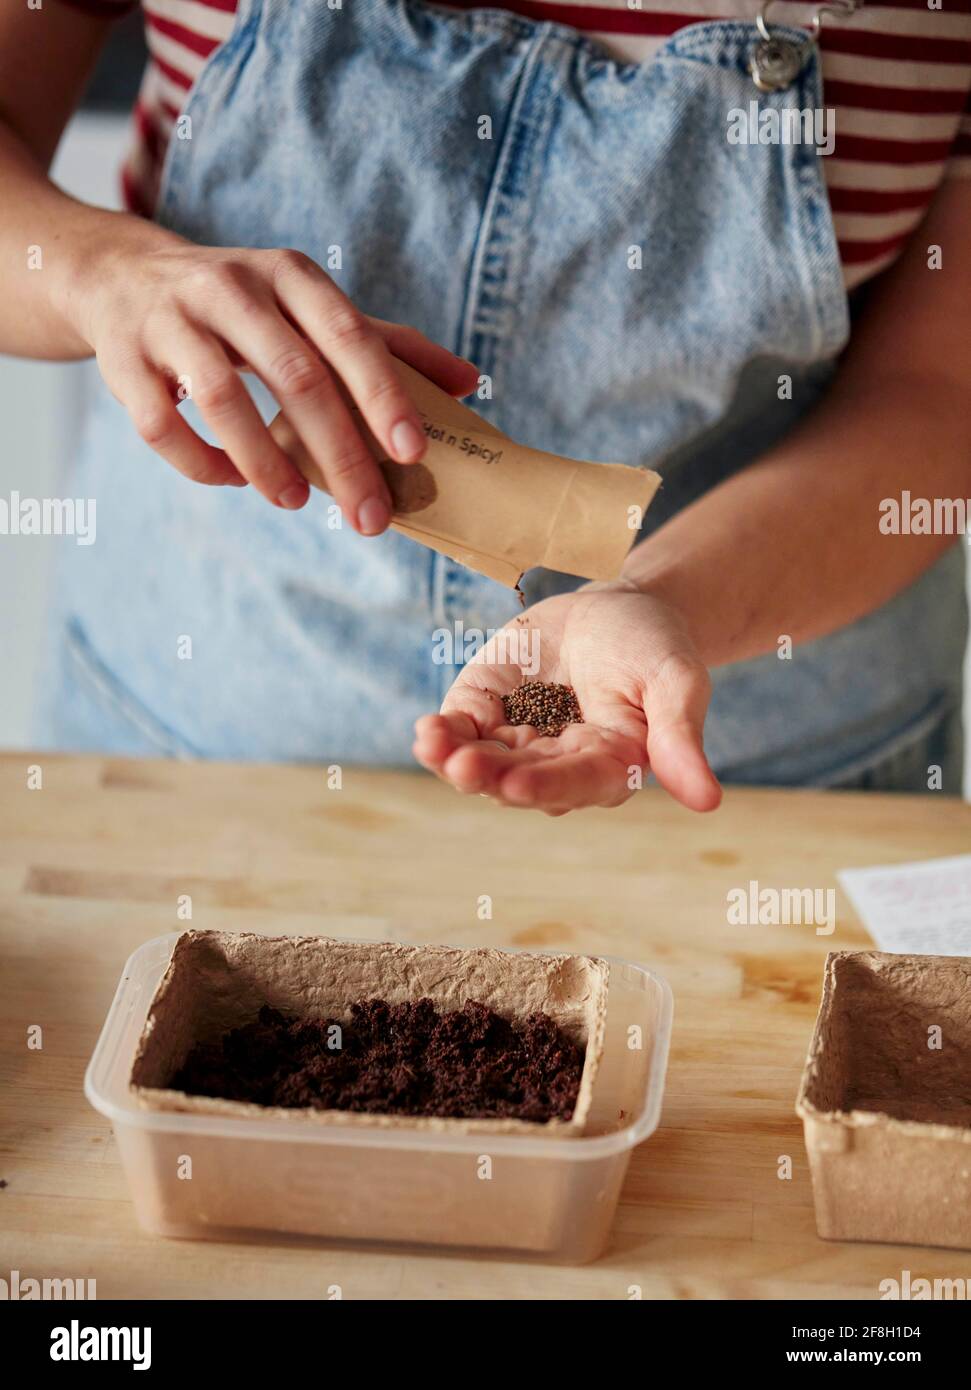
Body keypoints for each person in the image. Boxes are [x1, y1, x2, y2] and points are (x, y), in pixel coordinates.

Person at [2, 0, 968, 816]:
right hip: (193, 735)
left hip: (749, 765)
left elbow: (937, 395)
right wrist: (103, 271)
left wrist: (655, 604)